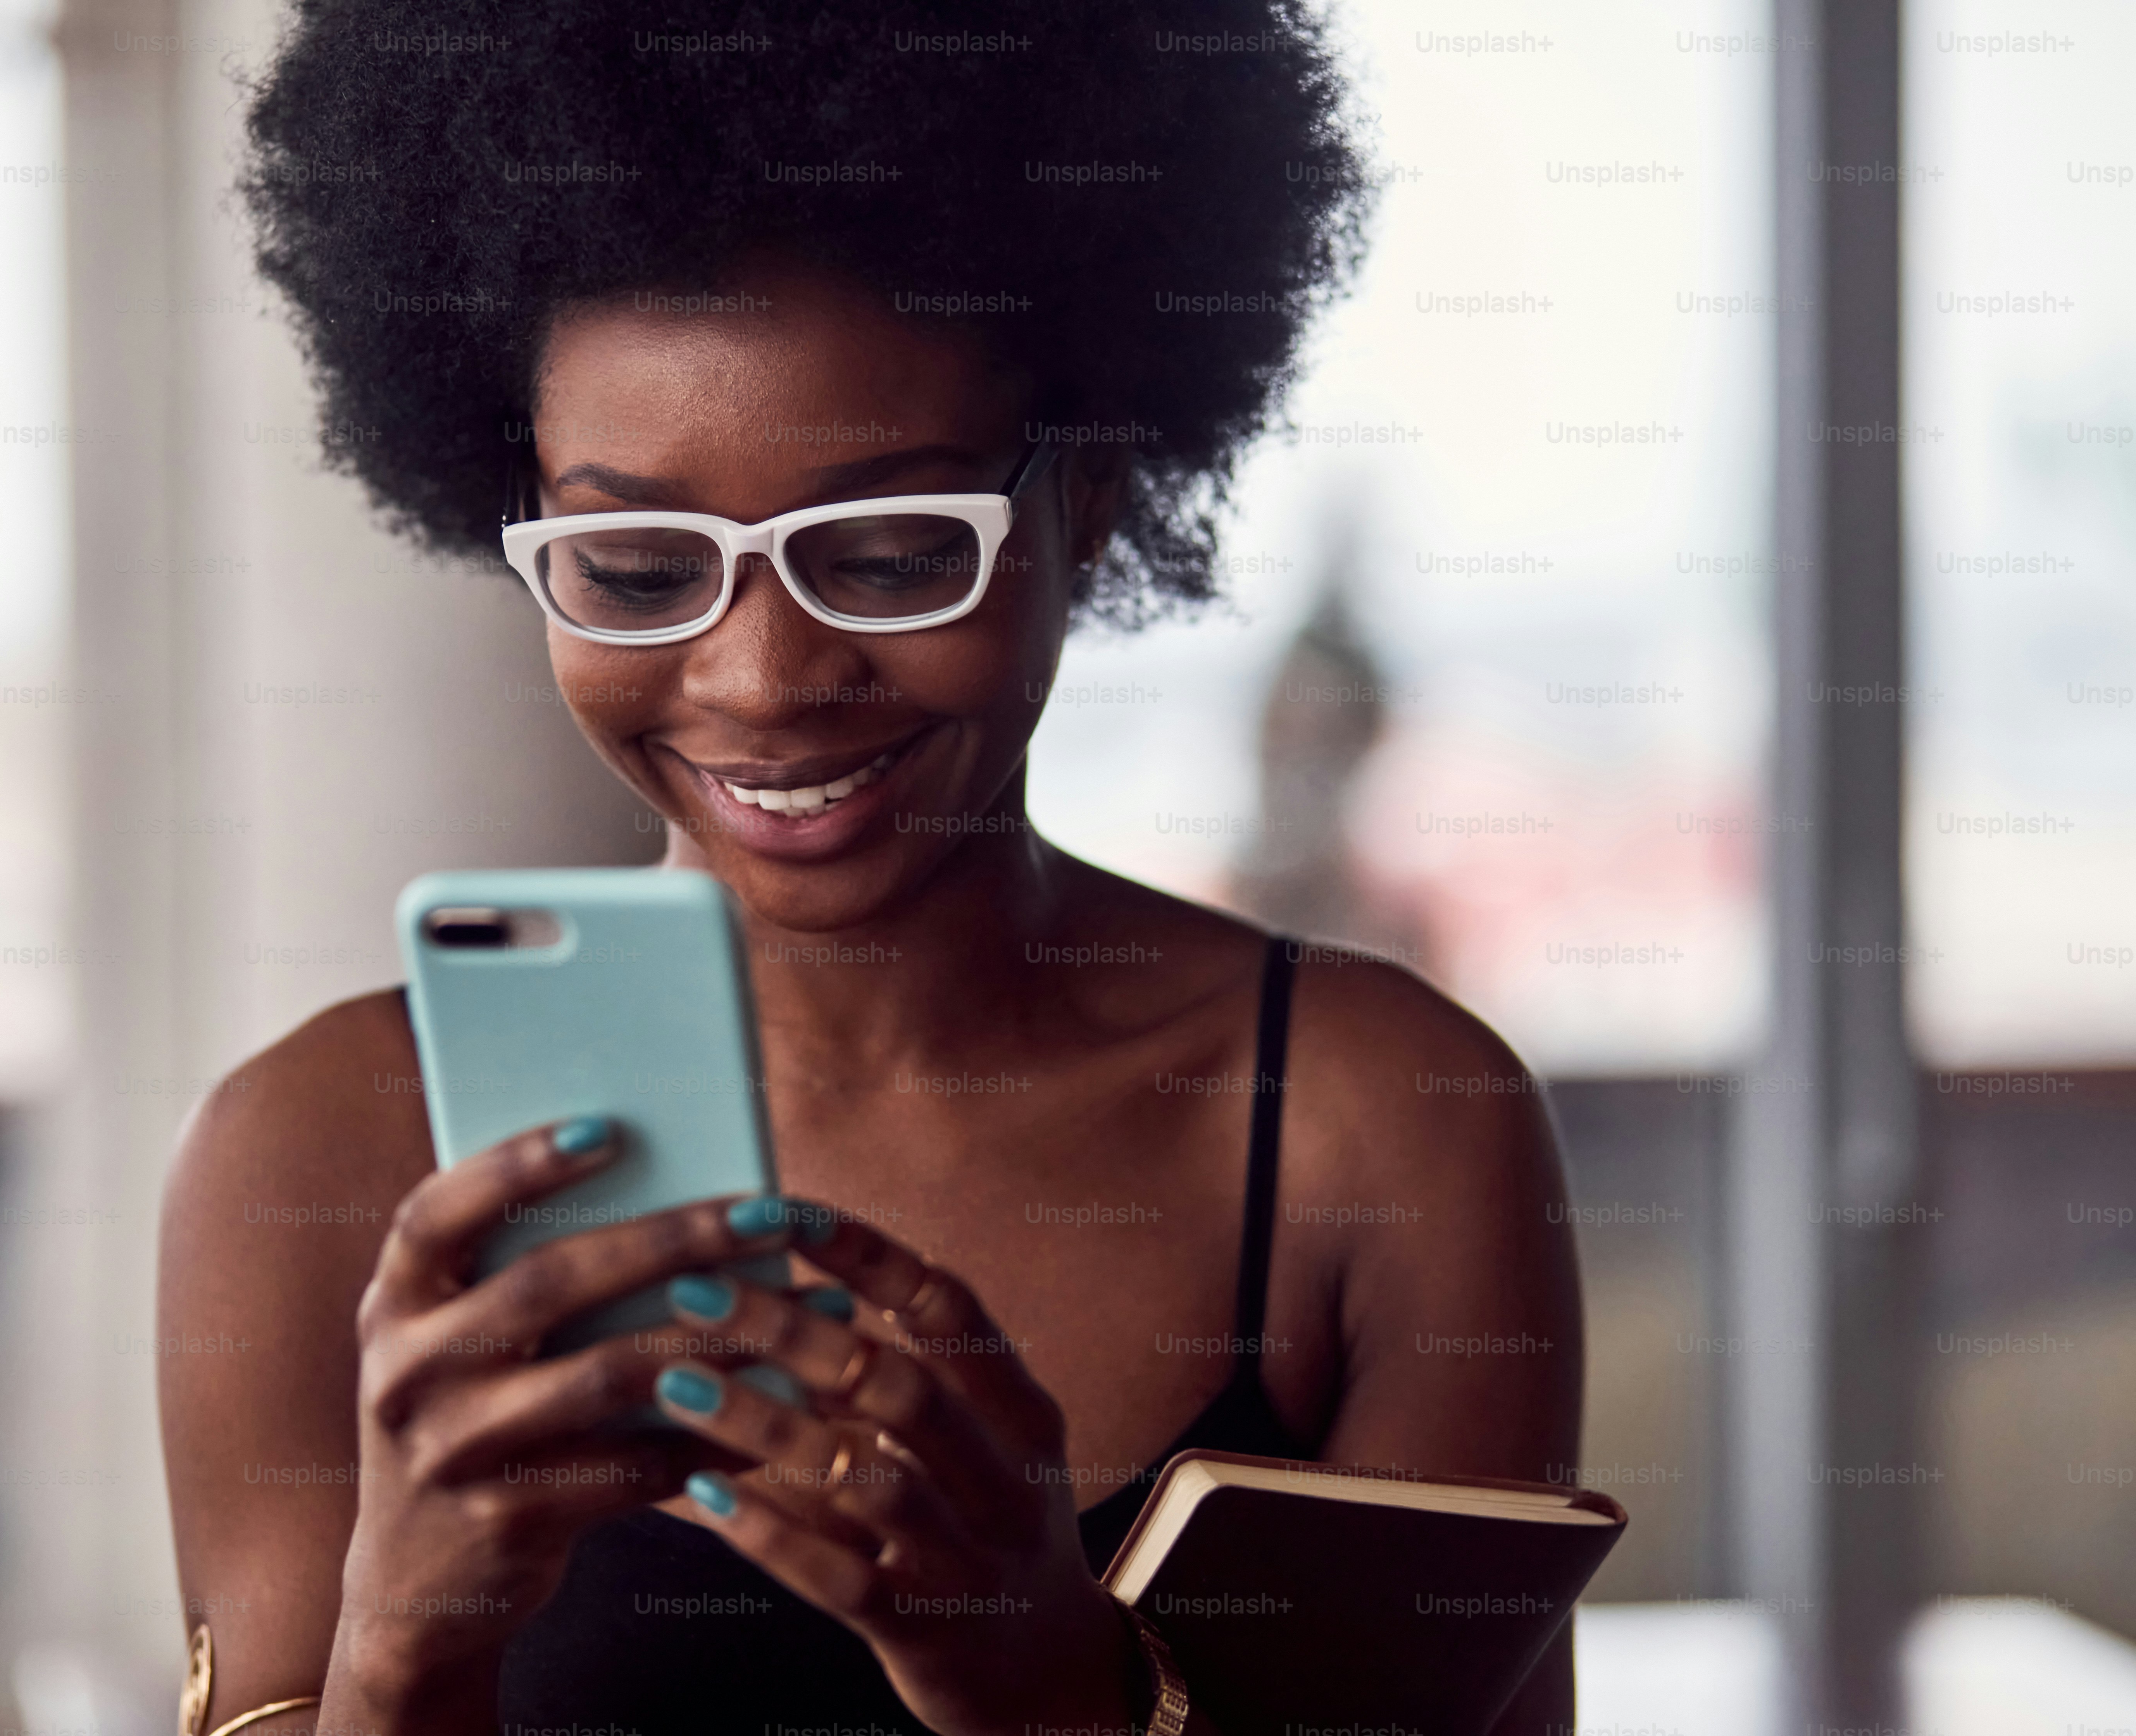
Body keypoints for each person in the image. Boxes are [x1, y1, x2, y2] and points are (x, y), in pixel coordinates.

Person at [158, 4, 1584, 1731]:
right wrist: (402, 1650)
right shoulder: (310, 1163)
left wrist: (1047, 1684)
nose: (764, 682)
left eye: (895, 553)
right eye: (636, 567)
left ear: (1086, 503)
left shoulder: (1385, 1130)